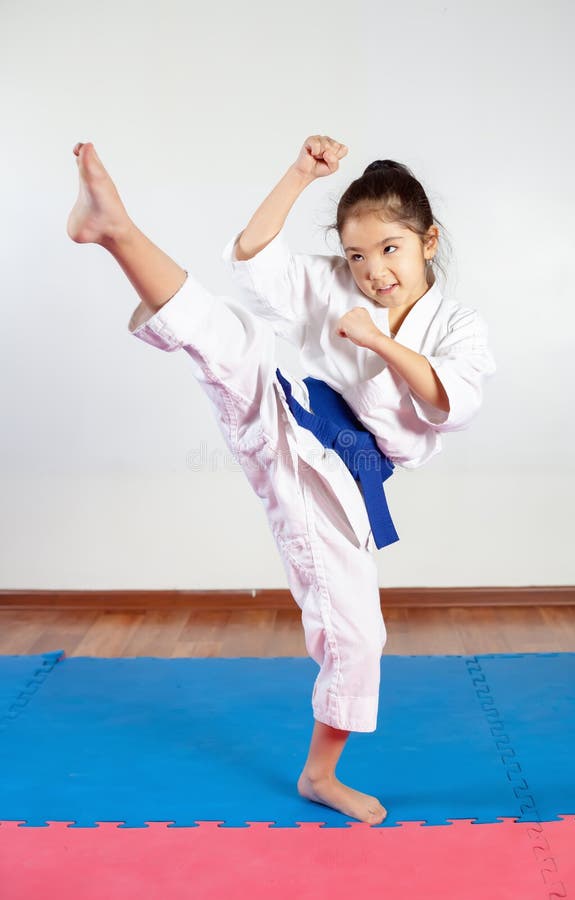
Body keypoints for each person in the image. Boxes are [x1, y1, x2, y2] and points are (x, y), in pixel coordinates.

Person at [67, 135, 495, 827]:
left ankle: (319, 774)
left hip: (340, 481)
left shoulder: (459, 325)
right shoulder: (334, 284)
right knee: (226, 334)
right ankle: (115, 230)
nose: (373, 270)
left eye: (390, 248)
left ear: (428, 241)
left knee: (360, 639)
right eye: (356, 255)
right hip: (291, 419)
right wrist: (299, 174)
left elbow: (452, 402)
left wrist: (380, 341)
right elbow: (253, 257)